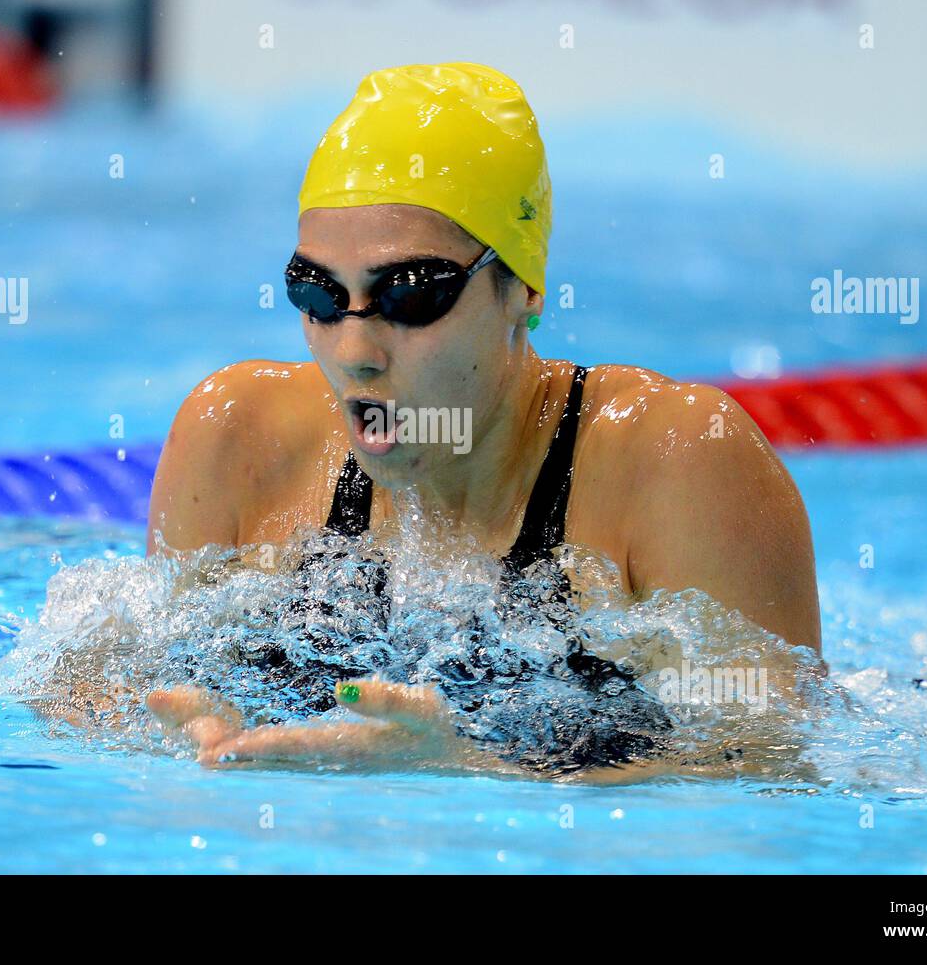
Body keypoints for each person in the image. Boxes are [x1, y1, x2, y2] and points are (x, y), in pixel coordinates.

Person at [145, 62, 820, 776]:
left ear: (522, 287)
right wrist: (166, 732)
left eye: (410, 295)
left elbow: (774, 765)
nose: (354, 352)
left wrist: (473, 773)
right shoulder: (239, 436)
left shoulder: (675, 458)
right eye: (317, 295)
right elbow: (87, 685)